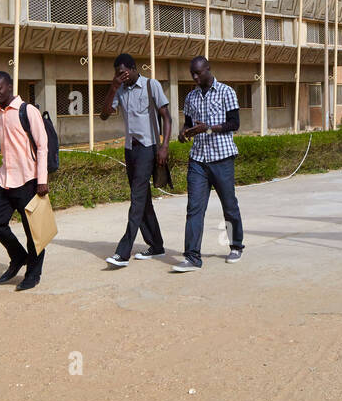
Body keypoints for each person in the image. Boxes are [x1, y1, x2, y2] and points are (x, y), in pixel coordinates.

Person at [173, 56, 244, 272]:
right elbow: (187, 125)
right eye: (192, 74)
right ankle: (192, 257)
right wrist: (184, 133)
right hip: (198, 161)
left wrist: (209, 128)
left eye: (199, 73)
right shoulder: (190, 97)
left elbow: (235, 124)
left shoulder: (226, 92)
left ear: (208, 69)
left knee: (229, 206)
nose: (195, 77)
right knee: (194, 208)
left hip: (222, 159)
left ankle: (236, 245)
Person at [100, 53, 171, 267]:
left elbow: (167, 117)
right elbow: (104, 115)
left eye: (123, 73)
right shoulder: (120, 89)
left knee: (137, 198)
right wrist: (113, 87)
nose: (121, 77)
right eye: (117, 74)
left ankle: (123, 252)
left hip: (148, 149)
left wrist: (164, 146)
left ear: (132, 69)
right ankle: (156, 246)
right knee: (143, 200)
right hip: (130, 149)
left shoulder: (151, 85)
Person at [0, 71, 49, 291]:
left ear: (9, 86)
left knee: (34, 232)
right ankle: (19, 256)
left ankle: (33, 274)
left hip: (29, 180)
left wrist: (42, 179)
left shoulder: (27, 111)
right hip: (4, 179)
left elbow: (42, 146)